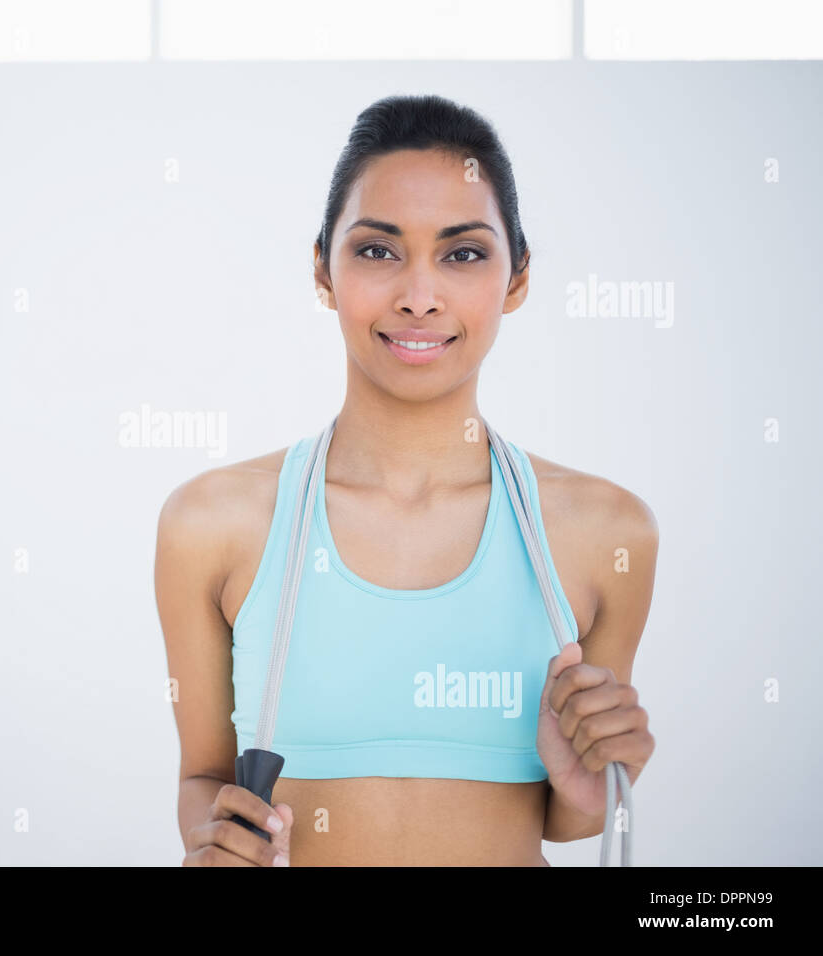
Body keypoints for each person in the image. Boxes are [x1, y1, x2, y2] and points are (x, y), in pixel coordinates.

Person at [154, 94, 658, 866]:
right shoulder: (214, 526)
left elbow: (566, 814)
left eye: (462, 254)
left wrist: (591, 791)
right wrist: (214, 843)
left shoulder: (605, 533)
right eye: (379, 251)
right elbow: (204, 779)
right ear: (323, 268)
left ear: (516, 279)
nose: (419, 296)